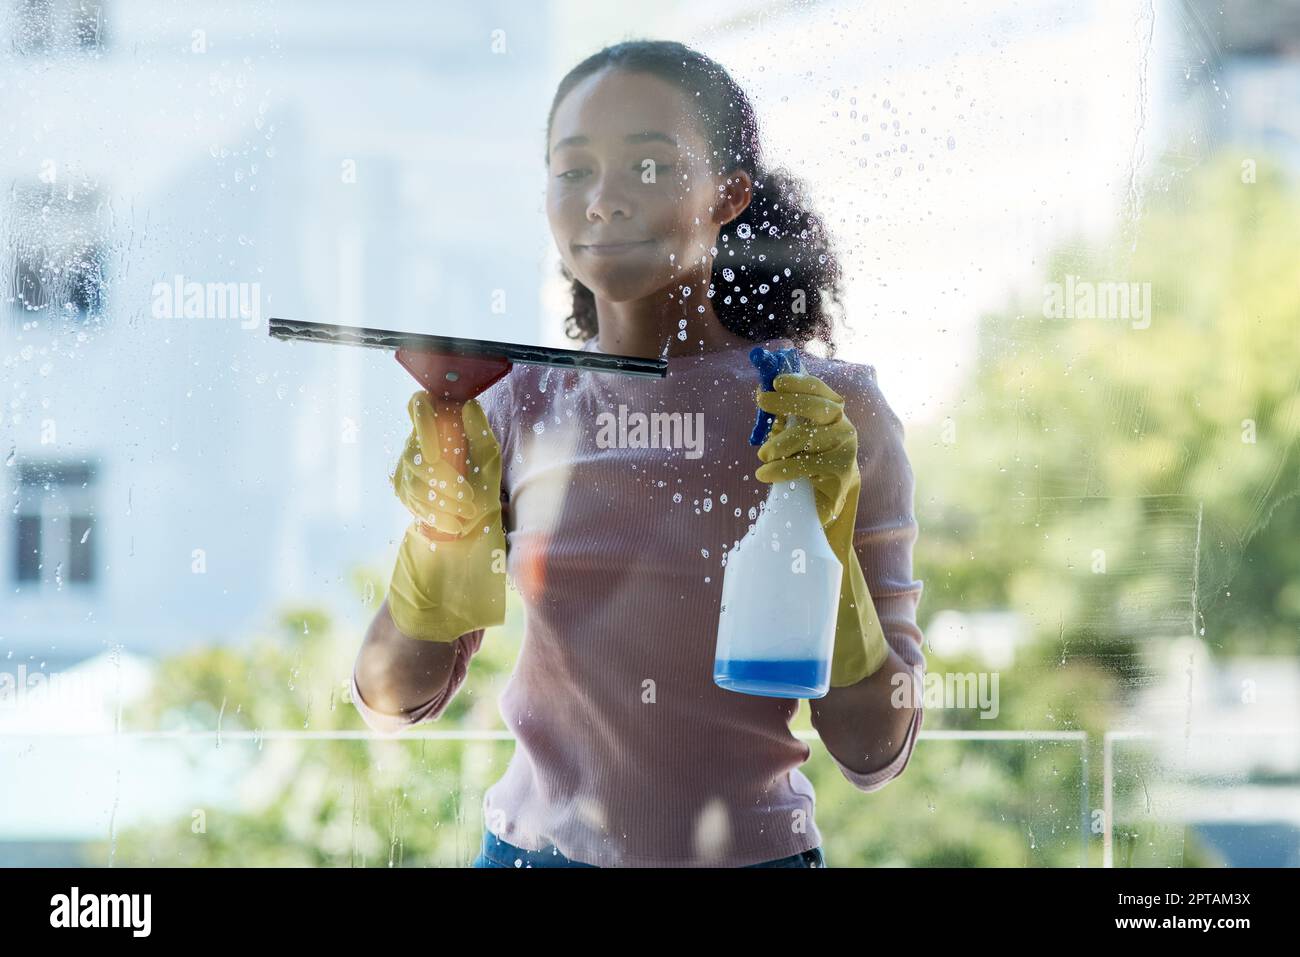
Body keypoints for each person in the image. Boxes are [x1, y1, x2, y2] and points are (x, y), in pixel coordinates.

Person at [351, 39, 926, 868]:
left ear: (729, 195)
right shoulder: (515, 406)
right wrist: (437, 543)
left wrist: (826, 567)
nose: (604, 202)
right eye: (573, 170)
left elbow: (874, 748)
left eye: (648, 168)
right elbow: (391, 700)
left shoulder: (831, 417)